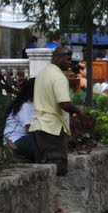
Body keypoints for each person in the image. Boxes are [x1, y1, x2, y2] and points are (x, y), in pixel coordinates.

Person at [31, 48, 82, 178]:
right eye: (68, 59)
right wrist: (79, 111)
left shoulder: (42, 74)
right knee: (57, 172)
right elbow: (64, 104)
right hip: (53, 130)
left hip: (39, 126)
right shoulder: (59, 77)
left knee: (43, 172)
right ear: (58, 58)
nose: (70, 63)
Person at [2, 78, 38, 161]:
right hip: (16, 142)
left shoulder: (29, 104)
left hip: (19, 141)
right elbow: (29, 129)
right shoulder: (26, 106)